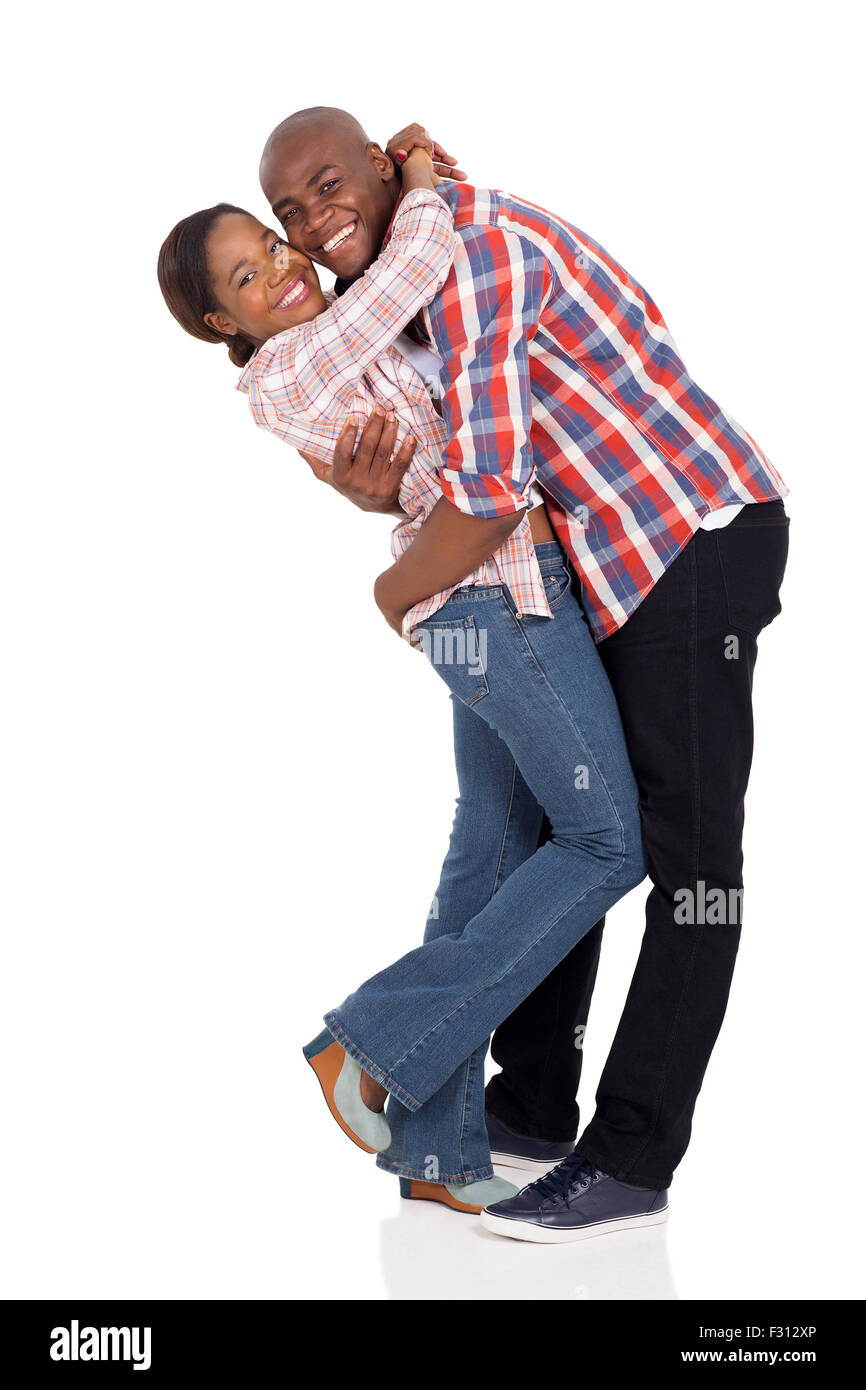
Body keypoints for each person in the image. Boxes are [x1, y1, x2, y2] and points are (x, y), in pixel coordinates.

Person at [258, 109, 790, 1242]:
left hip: (686, 538)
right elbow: (448, 465)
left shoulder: (472, 262)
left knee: (683, 860)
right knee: (560, 822)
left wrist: (392, 596)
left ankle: (630, 1156)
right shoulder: (402, 300)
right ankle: (531, 1105)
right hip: (584, 567)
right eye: (289, 214)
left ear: (378, 163)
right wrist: (376, 498)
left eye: (326, 184)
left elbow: (490, 489)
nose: (313, 219)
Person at [157, 145, 648, 1218]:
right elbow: (416, 254)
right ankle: (370, 1040)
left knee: (489, 846)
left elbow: (418, 432)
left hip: (477, 596)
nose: (284, 269)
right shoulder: (288, 366)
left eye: (275, 245)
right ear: (216, 327)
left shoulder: (323, 341)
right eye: (248, 277)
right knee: (610, 840)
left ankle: (434, 1151)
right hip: (493, 600)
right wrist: (418, 175)